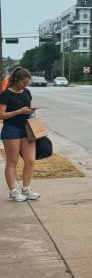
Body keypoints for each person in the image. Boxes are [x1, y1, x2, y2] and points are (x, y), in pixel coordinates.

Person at [0, 66, 41, 202]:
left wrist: (30, 110)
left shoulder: (27, 92)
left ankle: (26, 189)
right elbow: (1, 115)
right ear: (16, 80)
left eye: (27, 82)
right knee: (12, 161)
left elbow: (26, 109)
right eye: (23, 82)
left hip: (26, 129)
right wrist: (19, 111)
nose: (25, 85)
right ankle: (13, 191)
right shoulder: (6, 94)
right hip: (11, 129)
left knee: (30, 160)